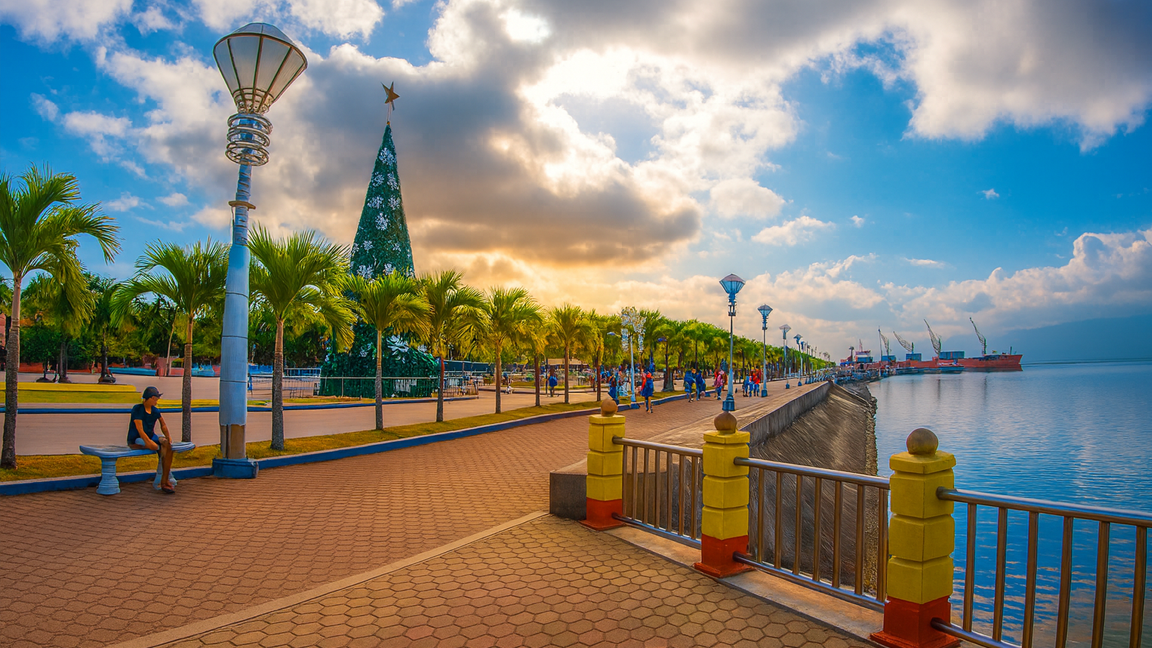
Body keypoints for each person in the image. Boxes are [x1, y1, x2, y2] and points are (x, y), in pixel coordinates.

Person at [128, 386, 176, 494]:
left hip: (151, 436)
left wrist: (168, 437)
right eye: (154, 399)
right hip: (137, 439)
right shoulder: (138, 409)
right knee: (157, 447)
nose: (156, 401)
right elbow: (140, 429)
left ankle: (164, 480)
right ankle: (164, 480)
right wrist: (149, 443)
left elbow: (162, 424)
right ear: (148, 398)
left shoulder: (154, 410)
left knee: (167, 447)